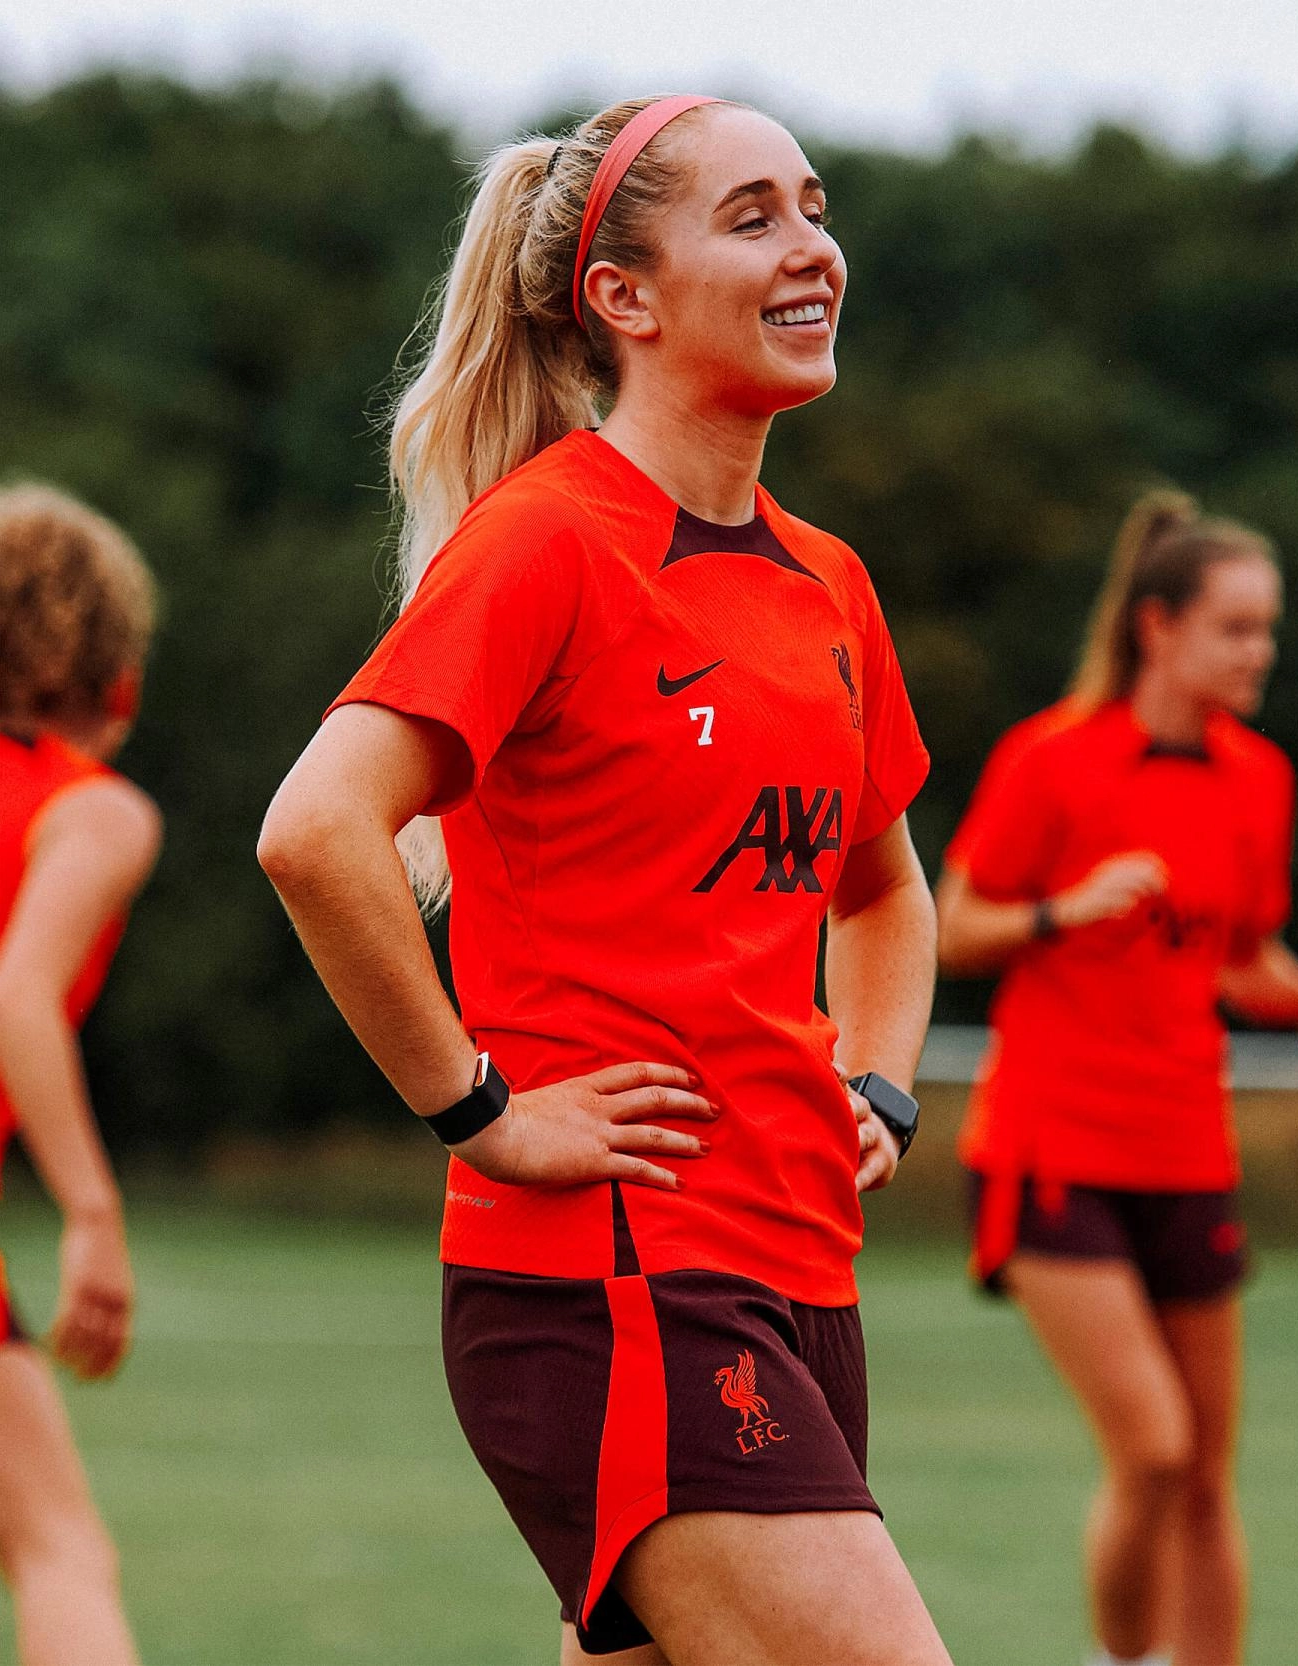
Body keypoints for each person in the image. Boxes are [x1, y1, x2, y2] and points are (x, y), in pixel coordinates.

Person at [258, 96, 947, 1665]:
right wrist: (484, 1110)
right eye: (754, 215)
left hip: (796, 1273)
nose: (813, 249)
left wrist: (886, 1086)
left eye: (816, 206)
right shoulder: (551, 542)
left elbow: (887, 890)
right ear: (623, 298)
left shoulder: (829, 580)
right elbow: (316, 832)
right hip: (620, 1278)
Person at [935, 489, 1298, 1666]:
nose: (1263, 652)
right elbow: (949, 925)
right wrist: (1063, 910)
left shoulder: (1259, 779)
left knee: (1205, 1477)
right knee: (1152, 1448)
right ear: (1159, 627)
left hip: (1187, 1147)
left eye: (1269, 628)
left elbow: (1243, 960)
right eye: (1238, 627)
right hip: (1053, 1147)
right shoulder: (1054, 759)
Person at [0, 484, 162, 1666]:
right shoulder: (90, 811)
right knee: (58, 1551)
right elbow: (14, 998)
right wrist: (94, 1214)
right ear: (118, 682)